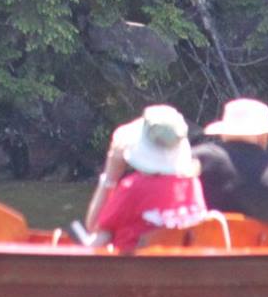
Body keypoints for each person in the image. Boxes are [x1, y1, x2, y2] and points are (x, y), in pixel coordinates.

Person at [87, 105, 208, 251]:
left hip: (132, 264)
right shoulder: (191, 183)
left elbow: (94, 228)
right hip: (180, 264)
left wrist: (110, 176)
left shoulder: (132, 187)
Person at [191, 97, 268, 232]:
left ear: (224, 133)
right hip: (259, 245)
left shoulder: (193, 159)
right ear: (262, 137)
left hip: (200, 242)